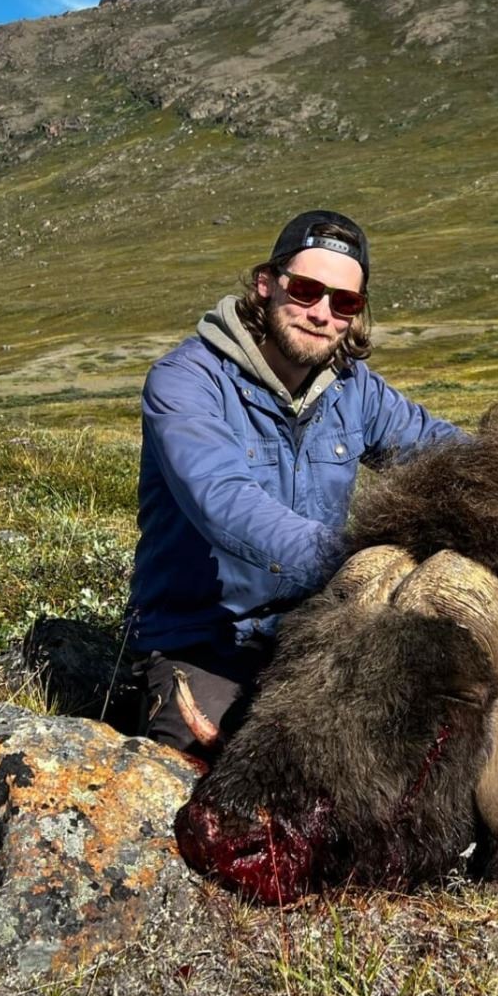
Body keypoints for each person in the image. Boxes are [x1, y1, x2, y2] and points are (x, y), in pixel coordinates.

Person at [127, 210, 463, 755]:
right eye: (307, 290)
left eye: (344, 302)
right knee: (207, 783)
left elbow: (446, 454)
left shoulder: (355, 390)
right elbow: (224, 502)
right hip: (203, 642)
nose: (321, 313)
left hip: (315, 631)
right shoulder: (186, 382)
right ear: (267, 284)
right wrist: (353, 560)